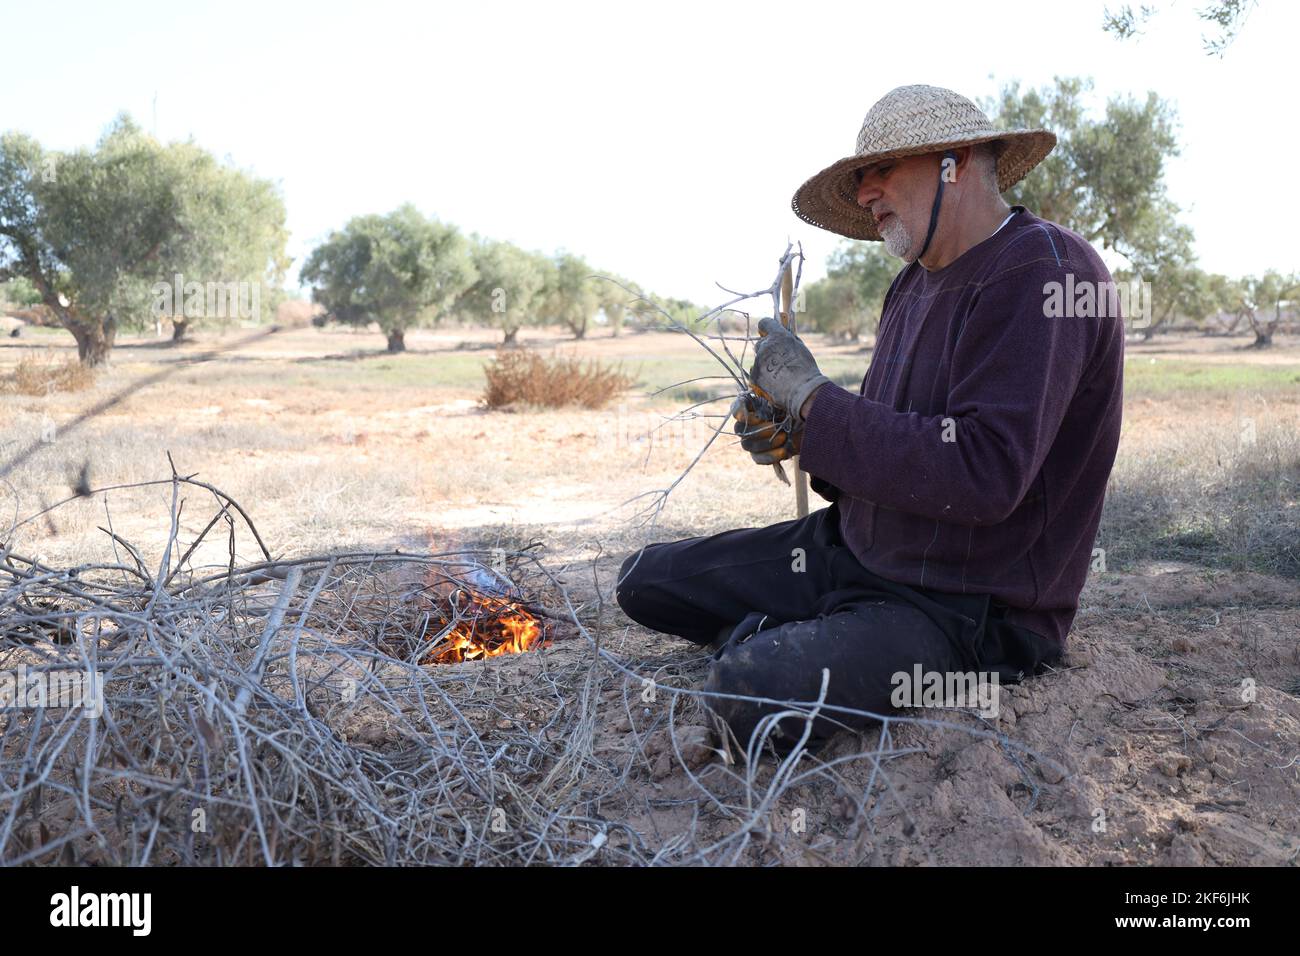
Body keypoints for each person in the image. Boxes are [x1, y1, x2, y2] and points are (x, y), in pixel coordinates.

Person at [616, 85, 1125, 752]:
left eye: (882, 170)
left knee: (744, 694)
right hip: (860, 553)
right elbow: (891, 452)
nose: (865, 193)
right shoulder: (912, 283)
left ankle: (794, 638)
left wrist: (816, 401)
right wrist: (799, 436)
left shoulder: (1044, 273)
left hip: (967, 603)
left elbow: (984, 474)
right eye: (860, 178)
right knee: (645, 582)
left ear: (957, 160)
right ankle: (814, 627)